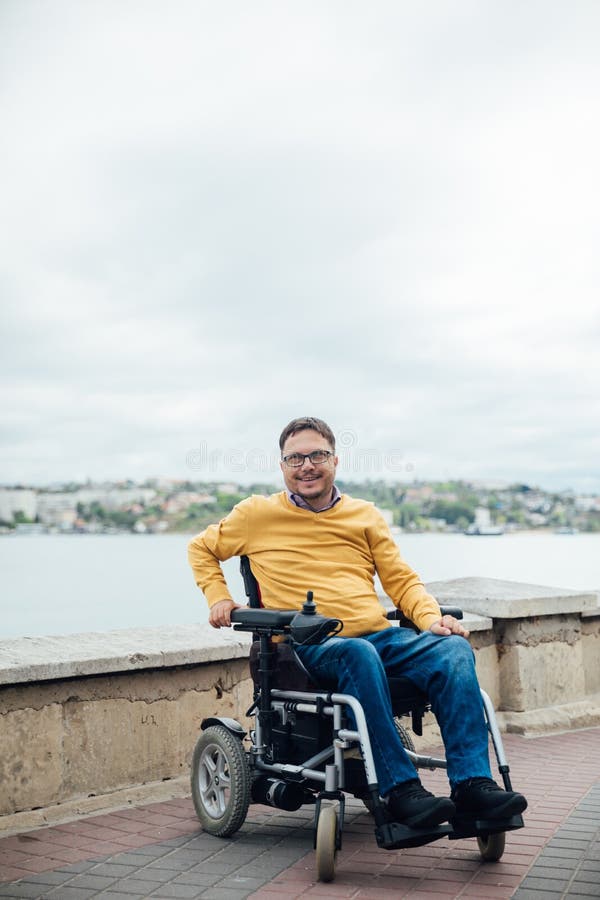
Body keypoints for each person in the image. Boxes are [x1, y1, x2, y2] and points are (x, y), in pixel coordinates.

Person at [188, 416, 527, 828]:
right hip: (308, 647)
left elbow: (402, 581)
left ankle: (473, 784)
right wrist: (219, 598)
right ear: (282, 466)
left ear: (335, 460)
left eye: (317, 455)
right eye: (295, 458)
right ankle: (398, 789)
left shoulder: (364, 515)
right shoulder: (255, 514)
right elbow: (200, 548)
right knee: (358, 652)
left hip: (376, 638)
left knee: (453, 649)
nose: (307, 465)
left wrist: (431, 619)